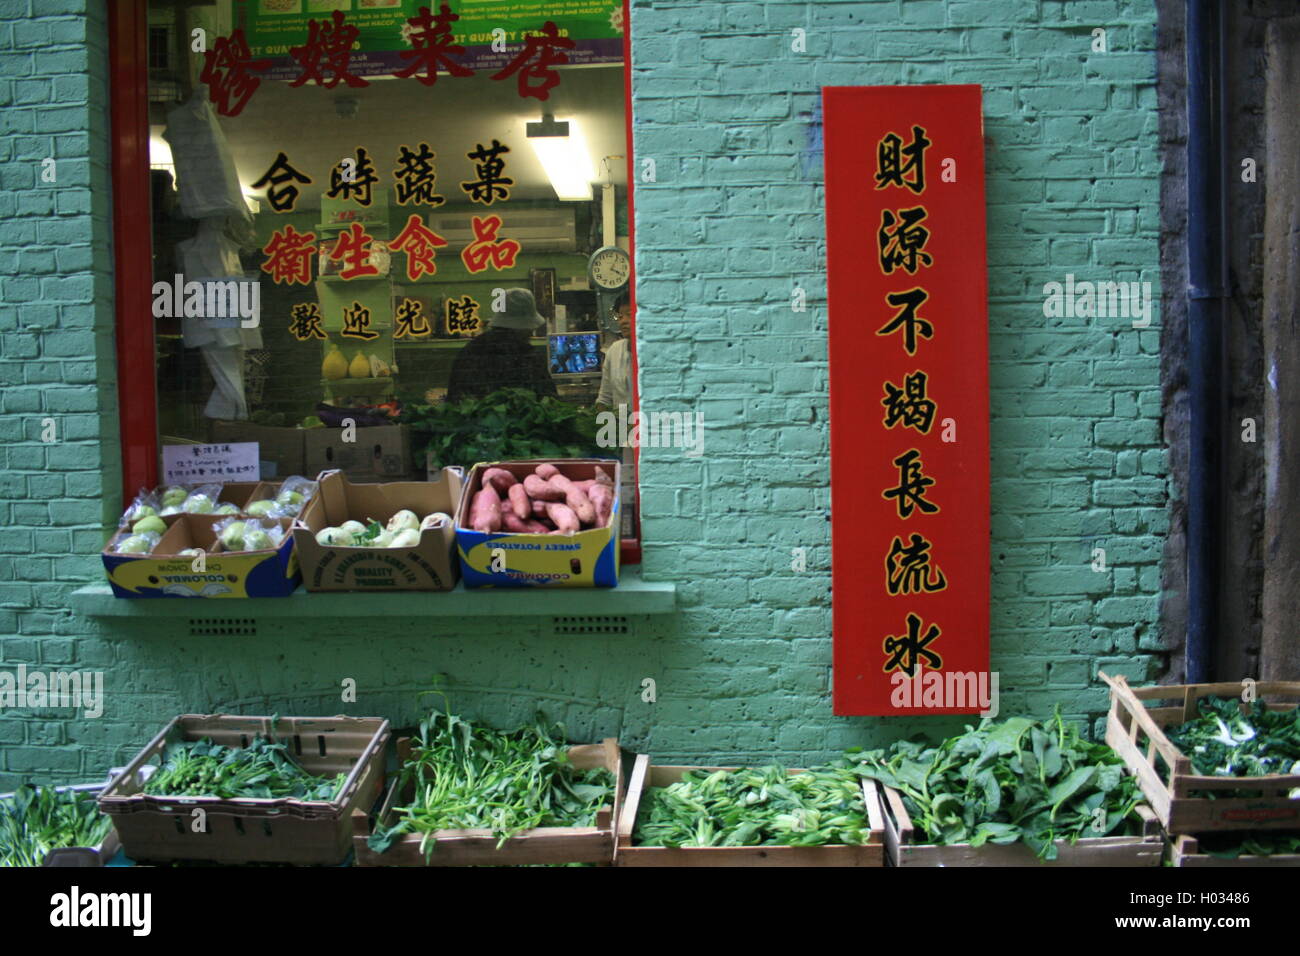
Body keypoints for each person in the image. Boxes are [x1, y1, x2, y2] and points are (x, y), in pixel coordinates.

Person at [446, 288, 557, 404]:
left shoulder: (471, 350)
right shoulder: (527, 355)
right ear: (520, 327)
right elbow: (550, 399)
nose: (532, 331)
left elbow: (455, 399)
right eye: (529, 328)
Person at [595, 293, 632, 413]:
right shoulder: (614, 350)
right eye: (620, 317)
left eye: (629, 315)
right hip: (621, 426)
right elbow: (604, 398)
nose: (623, 321)